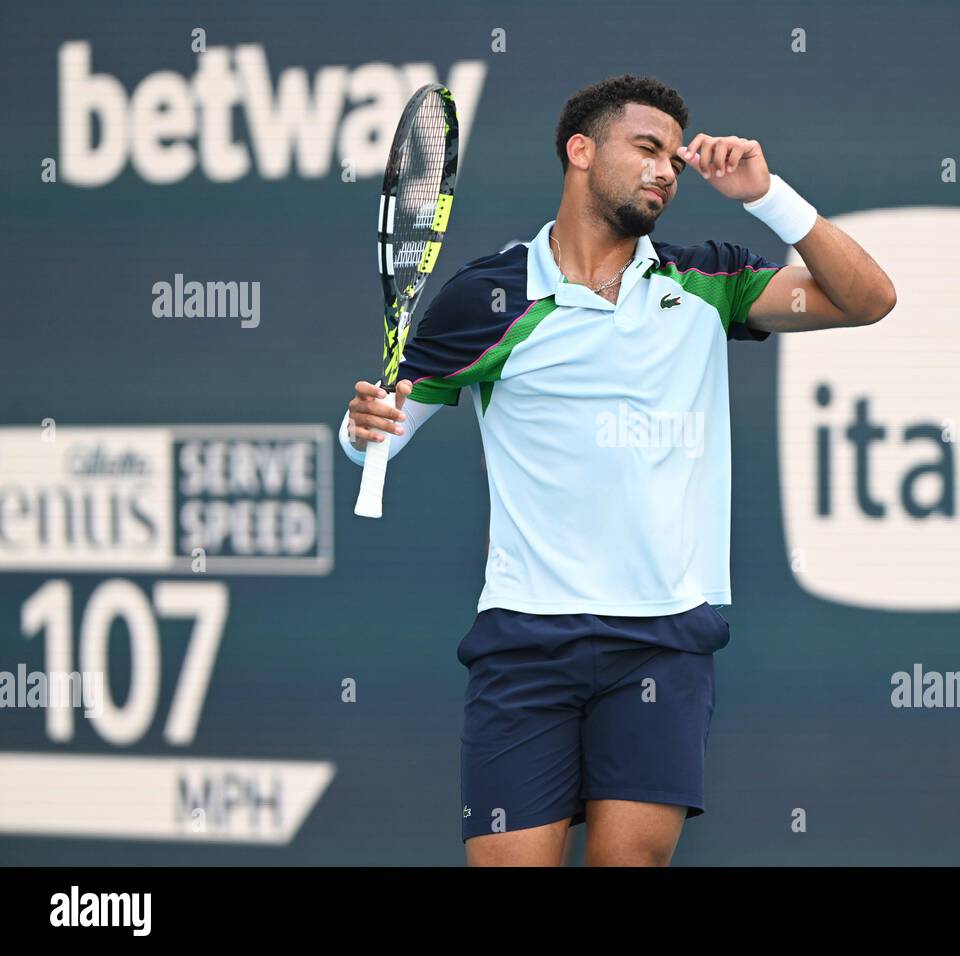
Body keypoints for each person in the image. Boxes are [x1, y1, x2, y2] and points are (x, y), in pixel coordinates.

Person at [340, 74, 896, 866]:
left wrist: (769, 197)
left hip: (662, 641)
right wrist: (361, 427)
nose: (665, 169)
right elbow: (378, 437)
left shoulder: (709, 282)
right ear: (580, 151)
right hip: (524, 640)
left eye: (674, 157)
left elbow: (869, 299)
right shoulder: (486, 300)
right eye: (645, 148)